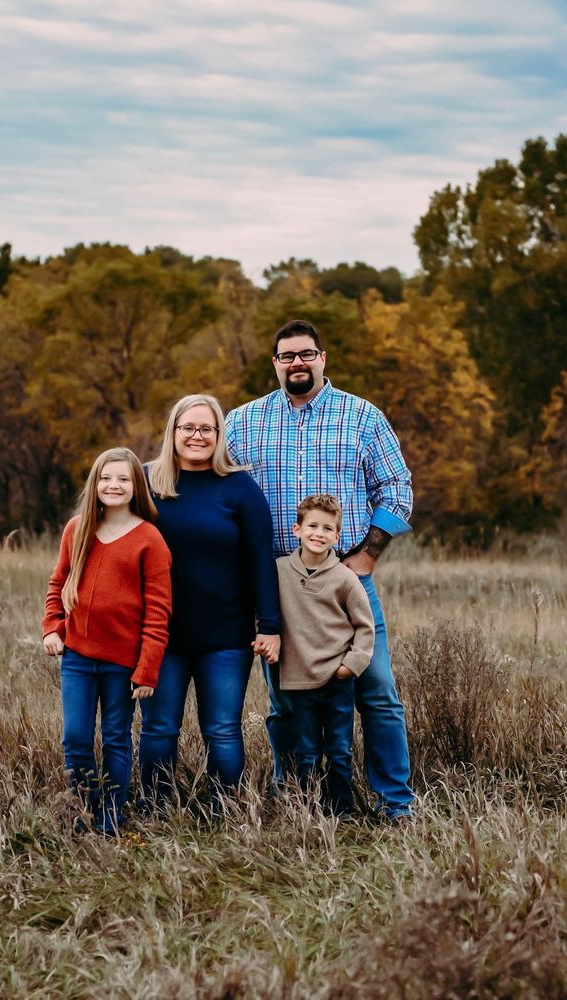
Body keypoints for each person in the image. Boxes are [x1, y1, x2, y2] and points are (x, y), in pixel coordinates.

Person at [224, 318, 416, 821]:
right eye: (287, 356)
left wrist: (367, 556)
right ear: (275, 364)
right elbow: (221, 493)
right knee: (288, 698)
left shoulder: (363, 417)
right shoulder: (243, 423)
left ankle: (394, 802)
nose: (297, 363)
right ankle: (298, 799)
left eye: (306, 354)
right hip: (278, 587)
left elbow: (398, 489)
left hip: (346, 581)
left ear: (322, 358)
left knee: (376, 691)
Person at [138, 394, 282, 812]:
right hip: (160, 634)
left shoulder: (240, 487)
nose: (197, 436)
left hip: (226, 635)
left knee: (222, 729)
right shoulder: (147, 483)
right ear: (173, 432)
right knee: (158, 728)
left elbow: (261, 559)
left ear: (219, 435)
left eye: (207, 429)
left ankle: (226, 812)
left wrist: (268, 624)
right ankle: (154, 810)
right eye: (189, 428)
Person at [42, 447, 171, 833]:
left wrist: (147, 669)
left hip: (122, 662)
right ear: (95, 483)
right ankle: (84, 810)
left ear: (137, 486)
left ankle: (110, 817)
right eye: (106, 478)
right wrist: (52, 627)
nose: (113, 485)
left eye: (123, 479)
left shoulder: (149, 539)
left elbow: (159, 610)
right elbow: (57, 583)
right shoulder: (77, 529)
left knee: (116, 738)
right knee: (76, 737)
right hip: (78, 657)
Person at [275, 494, 374, 816]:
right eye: (312, 526)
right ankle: (308, 811)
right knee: (306, 752)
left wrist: (350, 666)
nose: (319, 533)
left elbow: (365, 626)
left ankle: (342, 811)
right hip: (299, 680)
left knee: (339, 750)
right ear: (296, 529)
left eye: (327, 528)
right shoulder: (279, 572)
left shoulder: (345, 578)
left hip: (337, 680)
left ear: (337, 536)